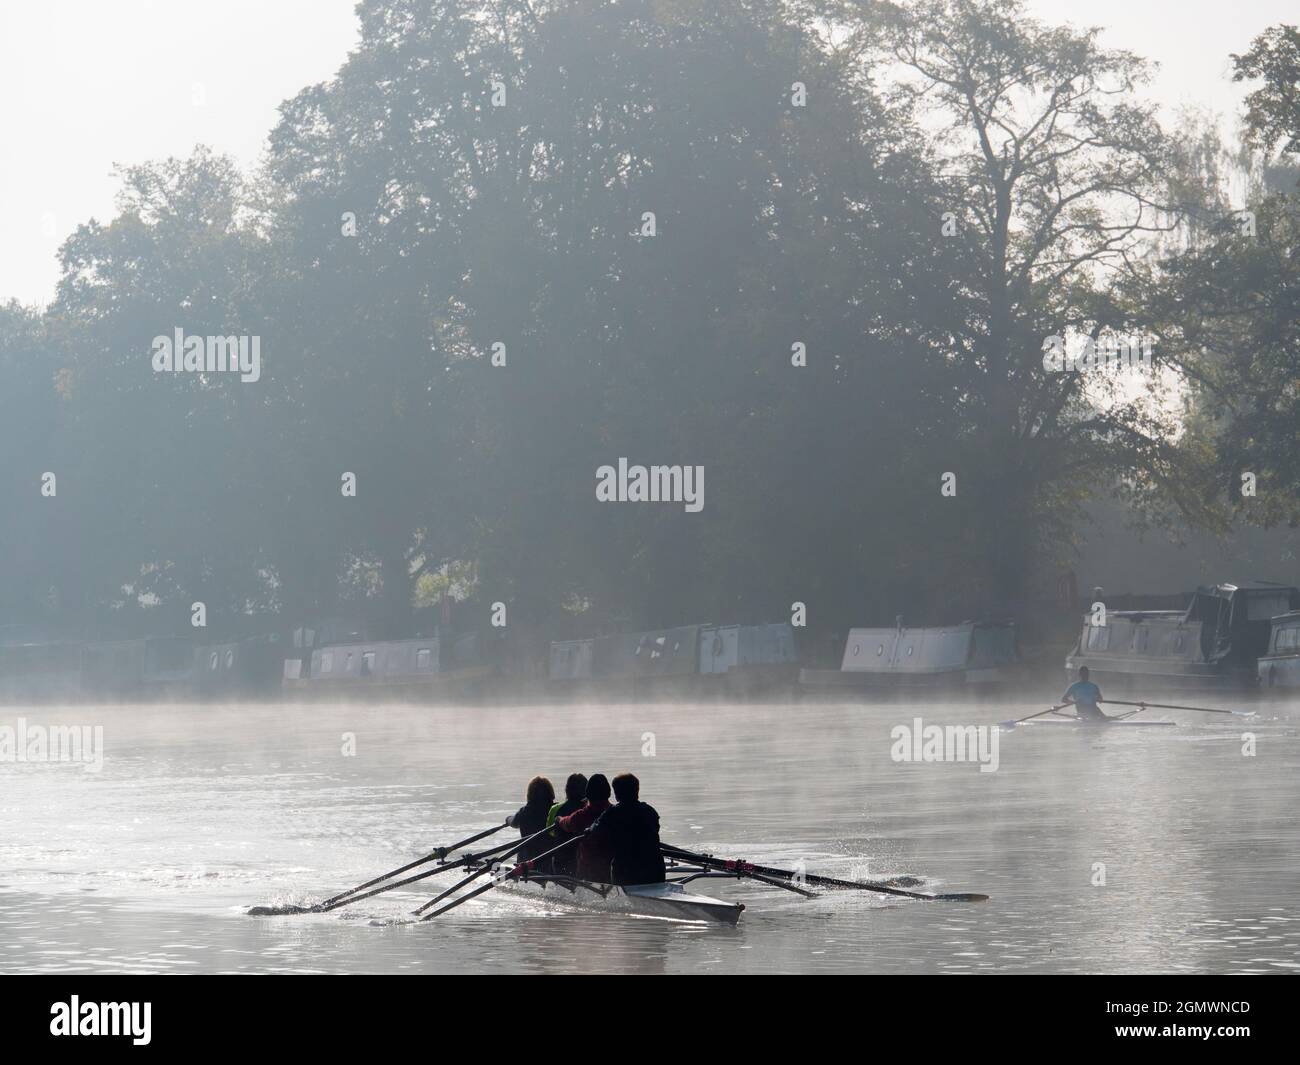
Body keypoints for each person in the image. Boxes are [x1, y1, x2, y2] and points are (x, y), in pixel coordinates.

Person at [588, 772, 666, 886]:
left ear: (617, 794)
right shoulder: (650, 811)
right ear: (637, 791)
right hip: (655, 870)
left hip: (627, 872)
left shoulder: (612, 813)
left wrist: (589, 829)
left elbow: (595, 830)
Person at [555, 774, 613, 882]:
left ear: (588, 795)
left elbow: (567, 824)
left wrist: (558, 820)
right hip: (612, 871)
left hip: (588, 873)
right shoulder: (616, 812)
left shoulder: (583, 815)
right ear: (608, 794)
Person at [506, 776, 556, 867]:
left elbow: (513, 823)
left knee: (523, 848)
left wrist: (507, 819)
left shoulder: (524, 811)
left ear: (530, 794)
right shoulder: (556, 809)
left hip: (526, 860)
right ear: (550, 793)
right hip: (549, 859)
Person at [545, 773, 588, 876]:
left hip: (561, 862)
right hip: (584, 864)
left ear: (567, 790)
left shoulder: (556, 809)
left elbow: (551, 832)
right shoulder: (590, 810)